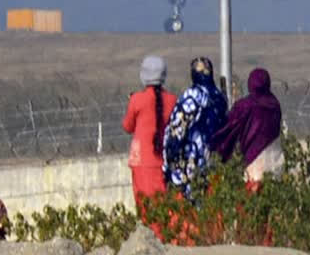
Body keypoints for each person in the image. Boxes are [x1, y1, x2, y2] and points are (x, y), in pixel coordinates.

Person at [162, 56, 228, 200]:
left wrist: (170, 153)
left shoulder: (192, 95)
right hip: (216, 158)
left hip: (193, 157)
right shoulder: (219, 97)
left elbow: (178, 126)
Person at [122, 55, 177, 212]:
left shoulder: (137, 100)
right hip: (164, 160)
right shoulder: (172, 100)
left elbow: (127, 126)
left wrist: (132, 103)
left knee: (145, 207)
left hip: (140, 161)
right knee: (164, 207)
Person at [211, 67, 285, 182]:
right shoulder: (274, 104)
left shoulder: (245, 105)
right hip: (275, 157)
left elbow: (229, 127)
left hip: (254, 158)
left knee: (254, 191)